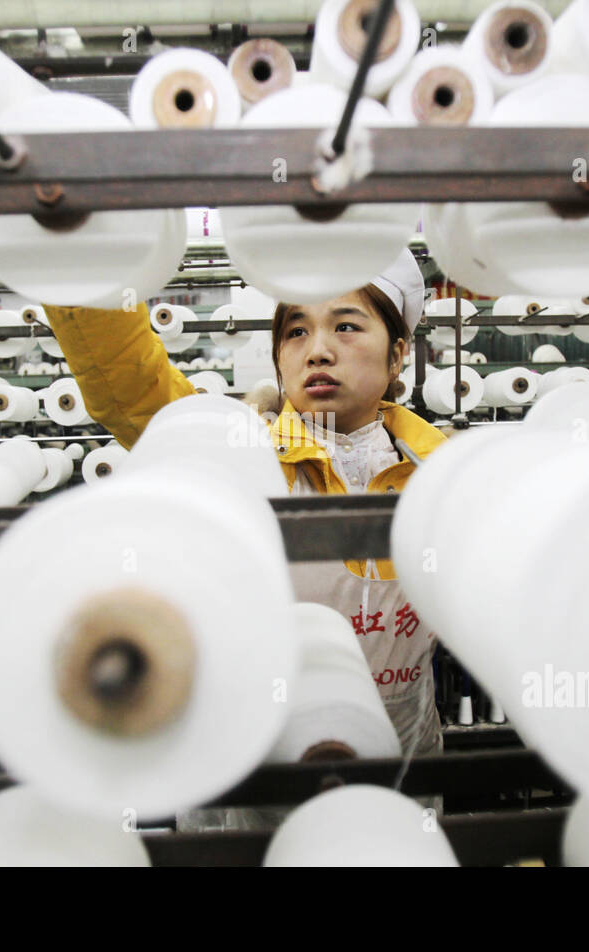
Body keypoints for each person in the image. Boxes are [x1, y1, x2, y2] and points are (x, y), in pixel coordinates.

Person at [43, 248, 448, 759]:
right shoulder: (238, 458)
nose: (317, 351)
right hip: (258, 752)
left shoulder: (441, 473)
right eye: (296, 332)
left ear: (397, 354)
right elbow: (131, 387)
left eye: (346, 326)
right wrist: (84, 256)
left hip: (405, 751)